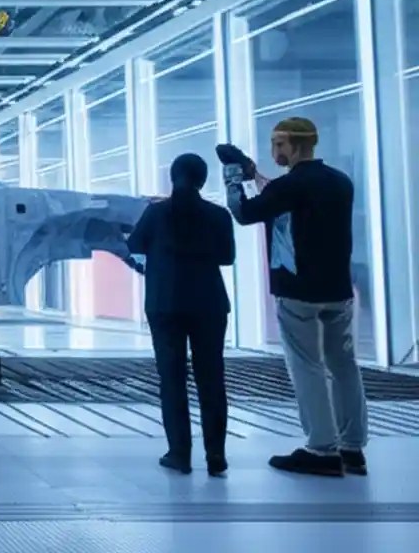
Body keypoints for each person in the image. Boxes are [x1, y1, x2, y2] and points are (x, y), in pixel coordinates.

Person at [224, 117, 367, 477]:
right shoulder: (340, 182)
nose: (275, 151)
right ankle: (353, 448)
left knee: (307, 367)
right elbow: (291, 199)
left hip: (297, 291)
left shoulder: (289, 186)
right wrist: (259, 179)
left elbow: (244, 213)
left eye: (279, 145)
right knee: (344, 366)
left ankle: (321, 449)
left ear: (297, 146)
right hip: (337, 289)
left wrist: (233, 180)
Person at [128, 153, 235, 477]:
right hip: (209, 304)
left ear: (172, 178)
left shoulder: (157, 213)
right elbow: (227, 257)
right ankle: (216, 454)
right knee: (211, 377)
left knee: (172, 379)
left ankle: (180, 453)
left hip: (165, 304)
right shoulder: (218, 215)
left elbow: (134, 244)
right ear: (203, 180)